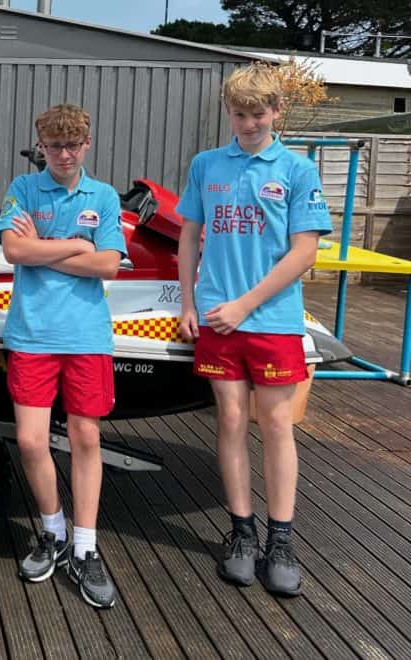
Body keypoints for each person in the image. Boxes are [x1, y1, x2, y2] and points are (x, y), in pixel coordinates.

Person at [176, 64, 331, 597]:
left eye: (258, 114)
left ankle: (280, 540)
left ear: (277, 112)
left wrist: (244, 304)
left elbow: (305, 251)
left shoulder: (296, 170)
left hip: (270, 318)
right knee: (231, 419)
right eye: (239, 114)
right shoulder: (207, 165)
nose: (248, 124)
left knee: (276, 423)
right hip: (219, 316)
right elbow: (190, 236)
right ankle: (241, 534)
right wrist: (190, 302)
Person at [0, 104, 124, 609]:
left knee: (85, 435)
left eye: (73, 146)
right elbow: (13, 251)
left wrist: (45, 246)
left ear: (86, 145)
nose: (65, 155)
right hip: (31, 334)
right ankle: (52, 531)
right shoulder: (24, 189)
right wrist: (75, 245)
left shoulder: (104, 197)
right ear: (41, 148)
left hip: (87, 336)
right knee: (29, 440)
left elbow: (110, 264)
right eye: (55, 147)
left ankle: (86, 546)